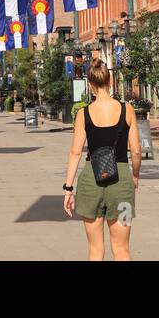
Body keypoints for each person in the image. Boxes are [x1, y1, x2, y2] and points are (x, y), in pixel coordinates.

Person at [62, 59, 141, 261]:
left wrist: (68, 189)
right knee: (122, 249)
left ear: (90, 85)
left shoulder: (83, 114)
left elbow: (75, 153)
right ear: (110, 81)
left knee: (95, 249)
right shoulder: (127, 110)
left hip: (91, 180)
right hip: (122, 181)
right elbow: (136, 150)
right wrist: (134, 176)